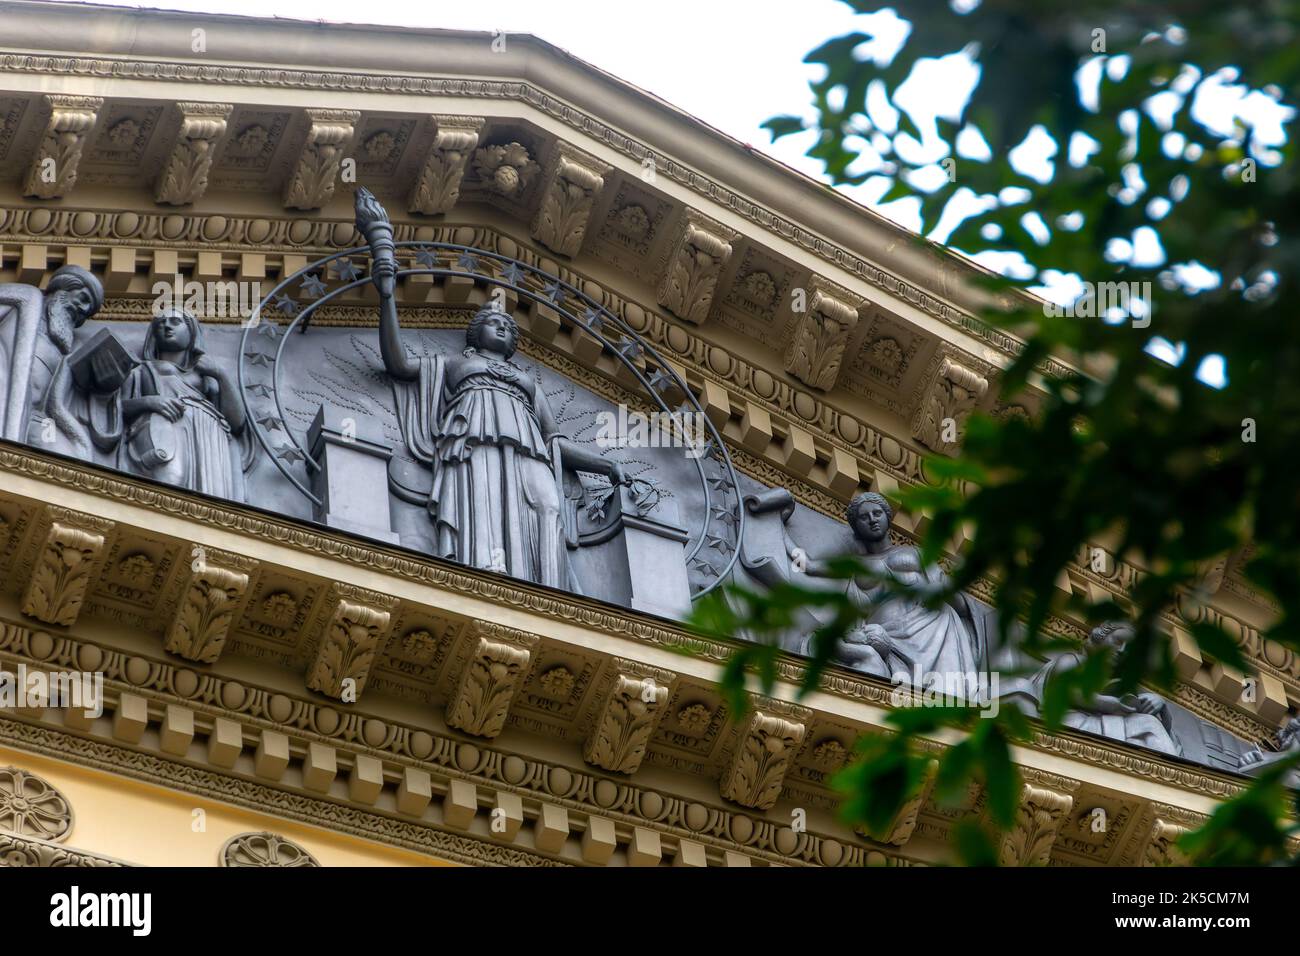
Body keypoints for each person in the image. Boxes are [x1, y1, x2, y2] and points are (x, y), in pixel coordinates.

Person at [377, 295, 623, 590]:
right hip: (475, 441)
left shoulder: (527, 384)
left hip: (530, 450)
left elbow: (554, 441)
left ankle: (551, 590)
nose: (502, 327)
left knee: (549, 507)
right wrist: (388, 295)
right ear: (477, 333)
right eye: (493, 323)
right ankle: (486, 573)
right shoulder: (456, 363)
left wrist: (606, 465)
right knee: (485, 502)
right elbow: (399, 365)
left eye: (507, 325)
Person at [797, 491, 981, 685]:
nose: (872, 520)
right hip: (882, 636)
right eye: (863, 517)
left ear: (887, 517)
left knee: (943, 695)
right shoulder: (854, 565)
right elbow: (808, 565)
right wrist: (775, 521)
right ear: (856, 526)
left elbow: (952, 598)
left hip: (931, 629)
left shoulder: (915, 553)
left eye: (877, 513)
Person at [109, 308, 249, 499]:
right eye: (161, 323)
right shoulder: (142, 371)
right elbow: (116, 407)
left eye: (175, 322)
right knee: (168, 490)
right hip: (167, 435)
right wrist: (151, 402)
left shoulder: (209, 379)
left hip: (209, 440)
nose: (166, 326)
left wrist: (220, 374)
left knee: (212, 504)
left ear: (192, 332)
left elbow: (237, 422)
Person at [1008, 621, 1183, 756]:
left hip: (1091, 727)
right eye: (1118, 641)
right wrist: (1112, 705)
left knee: (1149, 723)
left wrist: (1161, 706)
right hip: (1067, 726)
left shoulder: (1114, 685)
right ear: (1100, 636)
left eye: (1128, 650)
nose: (1122, 650)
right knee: (1147, 724)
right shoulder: (1074, 661)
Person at [0, 264, 105, 454]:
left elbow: (55, 404)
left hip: (35, 419)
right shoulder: (24, 301)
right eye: (83, 298)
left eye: (87, 310)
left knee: (71, 460)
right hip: (4, 400)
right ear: (62, 288)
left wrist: (82, 445)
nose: (83, 309)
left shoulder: (63, 352)